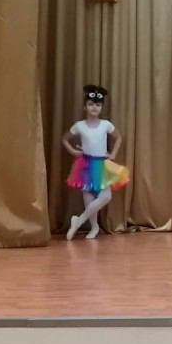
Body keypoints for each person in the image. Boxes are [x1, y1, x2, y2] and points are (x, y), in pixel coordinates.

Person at [62, 85, 129, 240]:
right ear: (85, 107)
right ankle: (94, 227)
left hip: (101, 164)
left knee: (106, 196)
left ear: (101, 107)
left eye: (98, 105)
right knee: (89, 199)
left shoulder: (106, 125)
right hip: (85, 165)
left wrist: (113, 154)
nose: (94, 107)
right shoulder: (80, 126)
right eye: (91, 104)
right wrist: (73, 151)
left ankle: (78, 221)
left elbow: (118, 137)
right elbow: (64, 139)